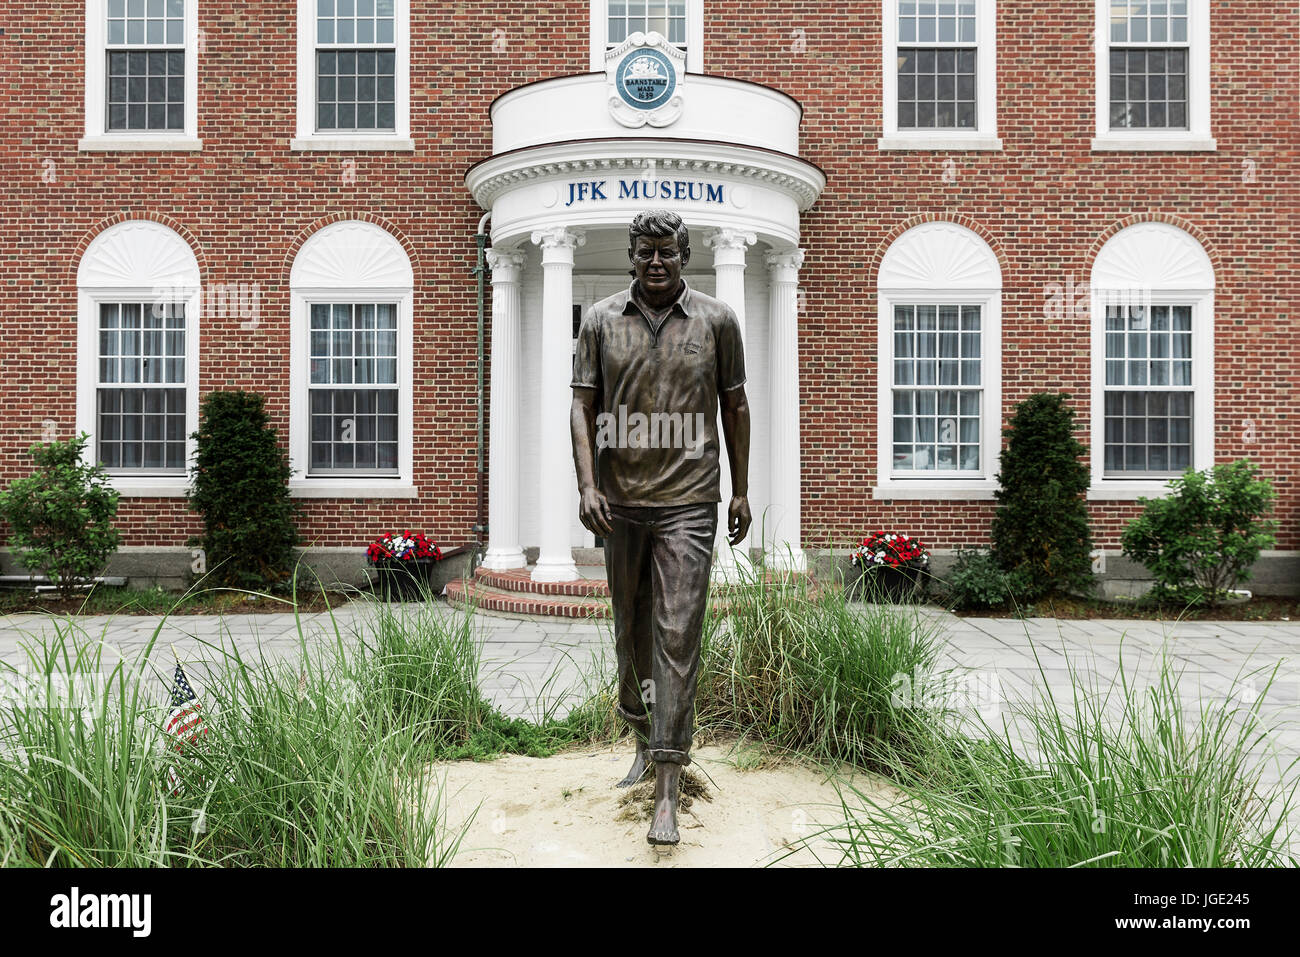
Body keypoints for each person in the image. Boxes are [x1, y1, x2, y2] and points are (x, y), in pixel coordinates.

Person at [570, 209, 751, 845]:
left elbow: (736, 405)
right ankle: (643, 738)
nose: (655, 263)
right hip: (619, 504)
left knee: (677, 635)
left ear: (685, 255)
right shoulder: (599, 322)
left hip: (689, 503)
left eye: (667, 253)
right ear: (630, 255)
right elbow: (581, 404)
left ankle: (669, 784)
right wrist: (588, 485)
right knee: (631, 633)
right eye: (645, 252)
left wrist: (741, 491)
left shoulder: (717, 320)